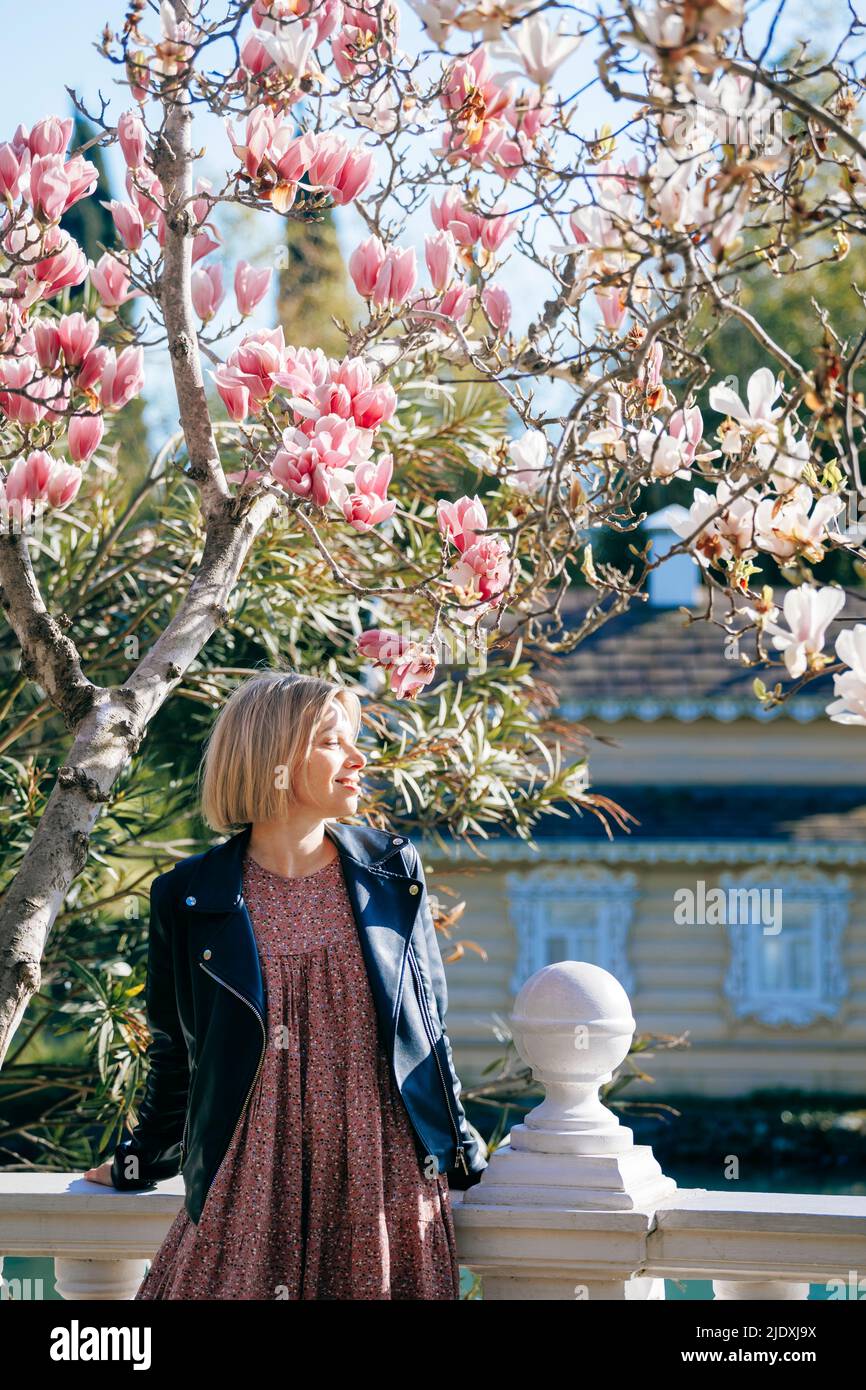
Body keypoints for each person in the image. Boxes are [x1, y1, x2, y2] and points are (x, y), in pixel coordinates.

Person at [82, 668, 487, 1299]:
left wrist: (461, 1150)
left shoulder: (391, 870)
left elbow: (428, 1032)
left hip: (378, 1179)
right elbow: (176, 1053)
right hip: (245, 1183)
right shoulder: (188, 896)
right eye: (333, 742)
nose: (358, 759)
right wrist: (142, 1159)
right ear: (274, 758)